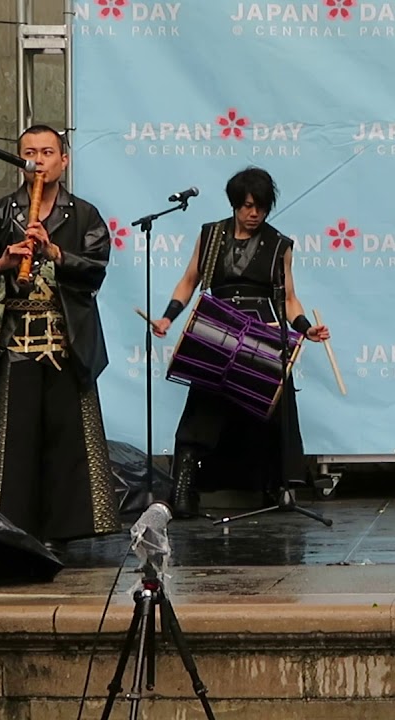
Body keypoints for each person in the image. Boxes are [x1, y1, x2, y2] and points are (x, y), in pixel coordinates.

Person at [0, 124, 120, 553]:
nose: (38, 160)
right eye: (30, 152)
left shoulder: (83, 214)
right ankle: (15, 527)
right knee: (17, 436)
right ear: (19, 160)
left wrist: (53, 253)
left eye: (48, 152)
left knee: (67, 437)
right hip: (17, 337)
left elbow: (95, 268)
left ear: (63, 160)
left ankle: (66, 531)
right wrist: (2, 262)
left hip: (64, 339)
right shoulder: (1, 213)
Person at [150, 167, 329, 517]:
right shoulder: (211, 235)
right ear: (235, 204)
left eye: (260, 207)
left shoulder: (279, 245)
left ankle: (279, 486)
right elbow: (189, 281)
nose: (253, 214)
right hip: (216, 329)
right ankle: (184, 488)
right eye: (247, 206)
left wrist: (305, 328)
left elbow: (289, 298)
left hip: (262, 332)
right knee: (202, 407)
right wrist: (168, 317)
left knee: (272, 405)